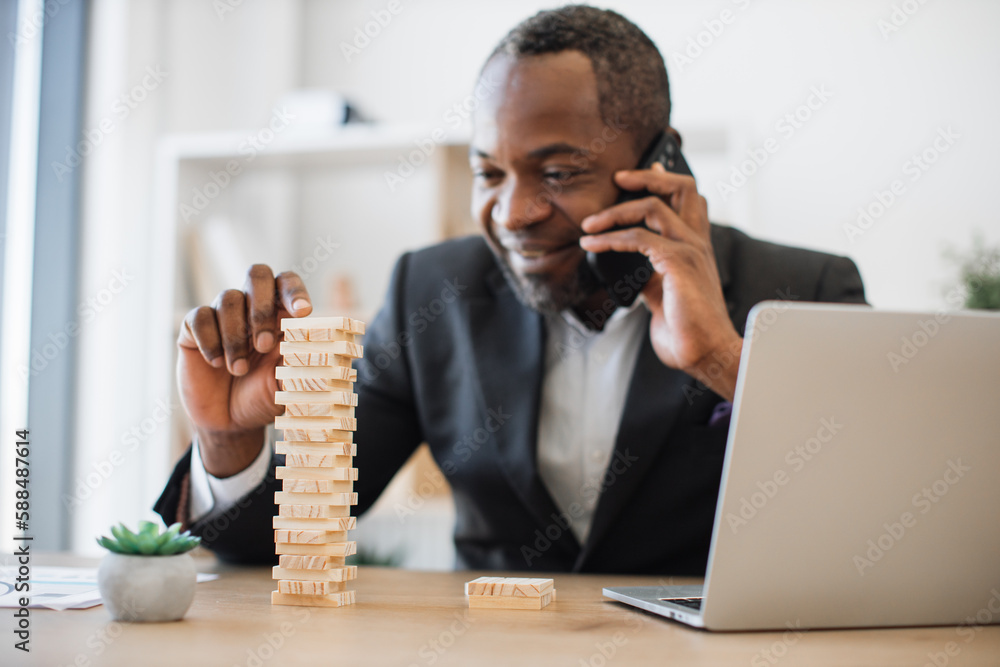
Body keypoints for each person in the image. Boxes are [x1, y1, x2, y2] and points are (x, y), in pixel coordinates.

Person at [155, 5, 865, 574]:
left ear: (660, 161)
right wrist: (226, 440)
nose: (512, 213)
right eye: (489, 173)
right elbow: (281, 544)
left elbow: (881, 516)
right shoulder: (430, 293)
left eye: (558, 174)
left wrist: (720, 358)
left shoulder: (804, 289)